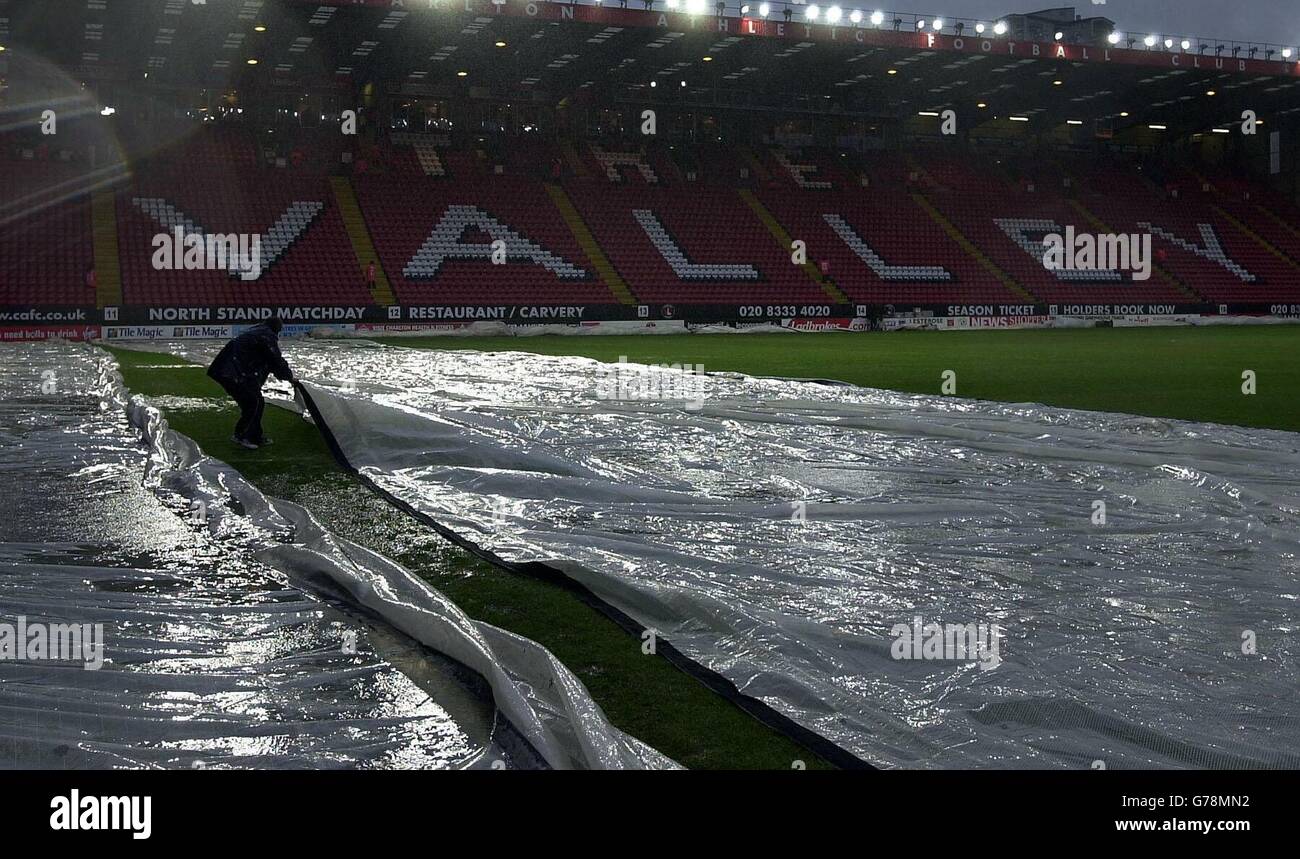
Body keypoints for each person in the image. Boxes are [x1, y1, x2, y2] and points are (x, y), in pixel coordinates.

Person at [206, 319, 295, 450]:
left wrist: (285, 375)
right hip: (233, 373)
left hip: (229, 371)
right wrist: (288, 376)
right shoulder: (265, 336)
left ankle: (252, 435)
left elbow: (270, 361)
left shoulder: (256, 332)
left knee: (253, 402)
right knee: (254, 402)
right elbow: (274, 358)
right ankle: (244, 436)